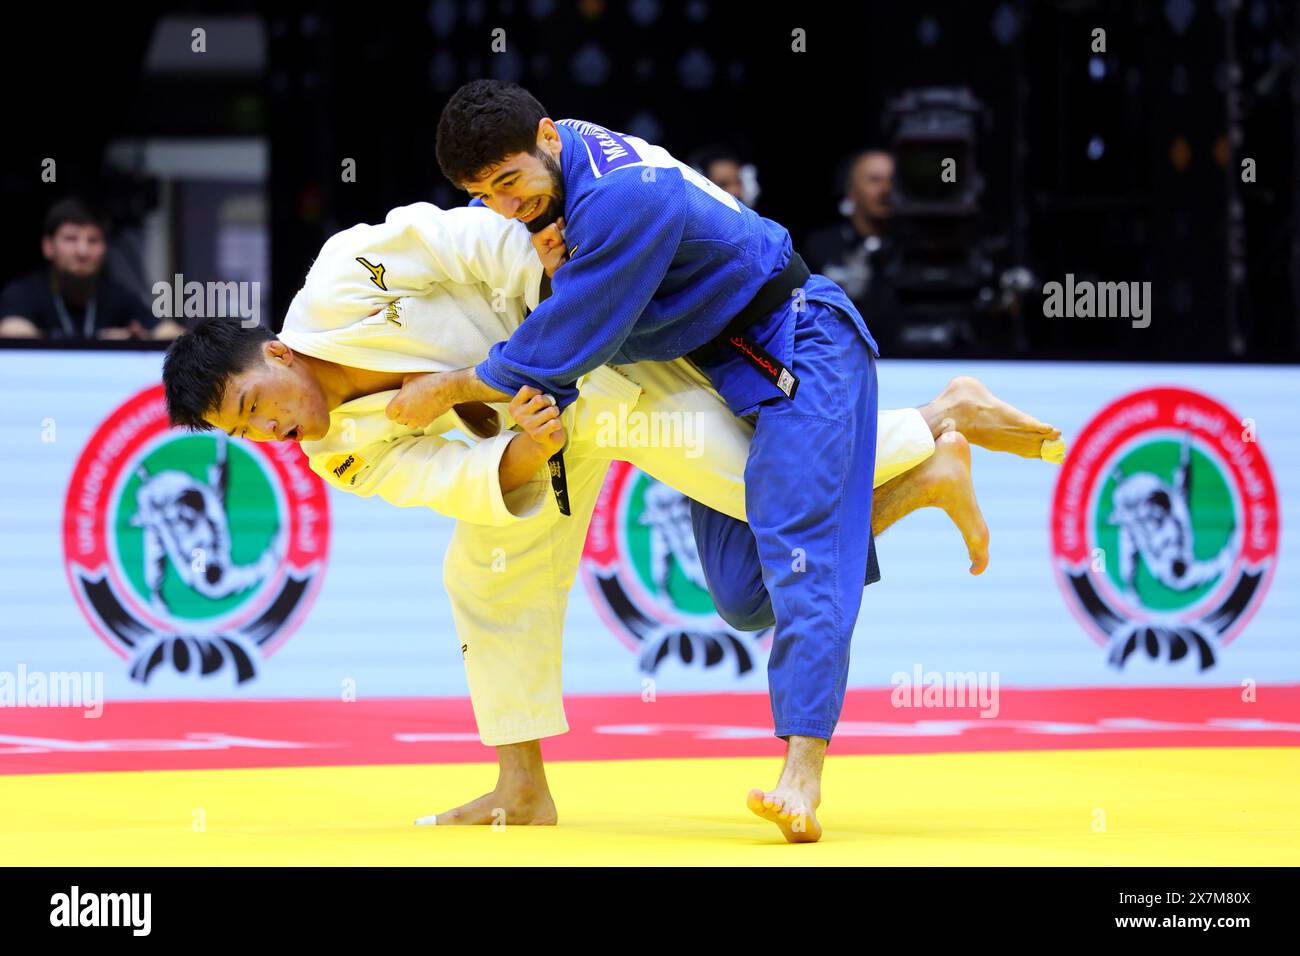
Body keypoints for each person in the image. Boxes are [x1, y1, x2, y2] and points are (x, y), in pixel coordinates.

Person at [164, 200, 1061, 830]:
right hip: (543, 436)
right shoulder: (335, 451)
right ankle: (522, 790)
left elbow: (473, 240)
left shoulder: (343, 277)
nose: (269, 431)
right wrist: (527, 446)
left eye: (254, 405)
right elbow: (448, 480)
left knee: (759, 490)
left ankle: (938, 423)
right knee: (484, 570)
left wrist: (556, 324)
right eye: (246, 436)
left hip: (589, 353)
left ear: (276, 352)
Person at [382, 81, 1062, 841]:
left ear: (546, 136)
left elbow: (556, 353)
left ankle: (802, 773)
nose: (504, 207)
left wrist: (445, 389)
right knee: (743, 599)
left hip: (799, 344)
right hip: (712, 374)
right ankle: (933, 455)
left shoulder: (623, 199)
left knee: (802, 556)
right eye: (484, 195)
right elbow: (520, 264)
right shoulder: (553, 167)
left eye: (509, 185)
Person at [0, 198, 181, 341]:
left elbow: (172, 334)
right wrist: (99, 342)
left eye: (93, 241)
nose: (83, 252)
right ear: (48, 247)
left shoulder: (118, 295)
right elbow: (12, 333)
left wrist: (140, 339)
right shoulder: (24, 292)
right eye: (71, 239)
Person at [804, 149, 906, 353]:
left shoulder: (915, 248)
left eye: (892, 180)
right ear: (851, 190)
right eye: (875, 180)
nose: (886, 189)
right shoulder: (821, 248)